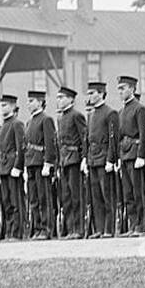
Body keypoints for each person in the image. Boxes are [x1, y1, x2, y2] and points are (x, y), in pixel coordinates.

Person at [115, 75, 145, 235]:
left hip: (135, 154)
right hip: (125, 154)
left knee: (138, 192)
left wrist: (142, 156)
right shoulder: (121, 111)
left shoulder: (139, 109)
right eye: (119, 88)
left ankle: (142, 226)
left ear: (132, 89)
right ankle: (133, 224)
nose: (120, 91)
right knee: (128, 192)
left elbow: (144, 134)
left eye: (123, 88)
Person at [83, 80, 118, 237]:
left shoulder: (110, 113)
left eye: (92, 93)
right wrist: (85, 158)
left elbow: (113, 138)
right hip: (92, 159)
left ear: (101, 93)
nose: (89, 96)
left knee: (107, 195)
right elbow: (87, 139)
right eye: (89, 93)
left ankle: (108, 229)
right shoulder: (91, 115)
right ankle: (98, 228)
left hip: (104, 159)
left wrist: (111, 159)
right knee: (96, 196)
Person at [23, 89, 58, 239]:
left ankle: (46, 229)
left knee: (44, 198)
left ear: (40, 102)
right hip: (31, 162)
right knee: (34, 199)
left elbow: (50, 143)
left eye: (31, 101)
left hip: (41, 163)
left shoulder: (46, 119)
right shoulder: (29, 122)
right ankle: (37, 228)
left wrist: (48, 162)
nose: (28, 104)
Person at [54, 85, 87, 239]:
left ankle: (78, 229)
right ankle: (68, 229)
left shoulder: (77, 116)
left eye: (61, 97)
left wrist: (84, 158)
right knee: (66, 197)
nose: (58, 101)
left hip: (74, 160)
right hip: (64, 160)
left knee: (76, 196)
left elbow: (83, 138)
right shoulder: (60, 118)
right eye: (58, 97)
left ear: (71, 100)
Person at [0, 94, 26, 240]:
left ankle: (17, 232)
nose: (2, 108)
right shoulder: (2, 127)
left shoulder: (17, 124)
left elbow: (21, 147)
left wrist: (18, 166)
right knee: (6, 201)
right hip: (3, 167)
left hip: (12, 167)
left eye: (5, 105)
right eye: (1, 105)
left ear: (13, 107)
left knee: (15, 201)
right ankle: (8, 231)